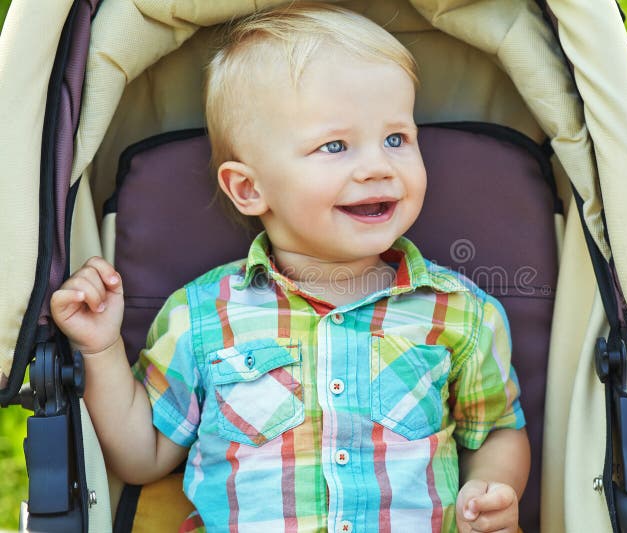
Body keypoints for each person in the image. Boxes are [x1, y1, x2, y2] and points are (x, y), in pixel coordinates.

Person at [51, 3, 530, 531]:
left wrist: (493, 486)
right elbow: (143, 455)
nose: (378, 166)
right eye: (335, 146)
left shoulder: (459, 312)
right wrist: (100, 348)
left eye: (396, 139)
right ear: (248, 188)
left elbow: (496, 430)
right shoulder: (205, 315)